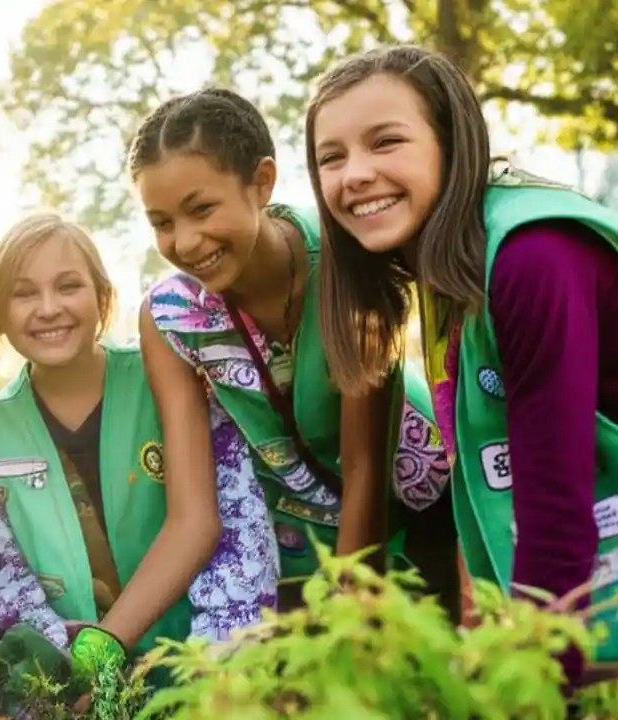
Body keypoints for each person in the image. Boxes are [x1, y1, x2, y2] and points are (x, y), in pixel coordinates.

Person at [306, 44, 618, 684]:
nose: (355, 175)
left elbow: (556, 506)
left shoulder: (530, 258)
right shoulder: (447, 270)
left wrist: (535, 689)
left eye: (386, 142)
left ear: (453, 145)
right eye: (331, 157)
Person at [130, 86, 455, 625]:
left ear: (261, 183)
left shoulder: (348, 264)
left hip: (412, 511)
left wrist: (344, 625)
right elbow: (194, 514)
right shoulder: (171, 315)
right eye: (162, 223)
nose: (185, 243)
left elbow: (364, 468)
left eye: (202, 208)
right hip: (295, 540)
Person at [0, 213, 195, 674]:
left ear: (102, 296)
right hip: (75, 679)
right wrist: (69, 665)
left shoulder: (163, 382)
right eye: (24, 292)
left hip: (190, 663)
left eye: (68, 286)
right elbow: (3, 573)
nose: (48, 308)